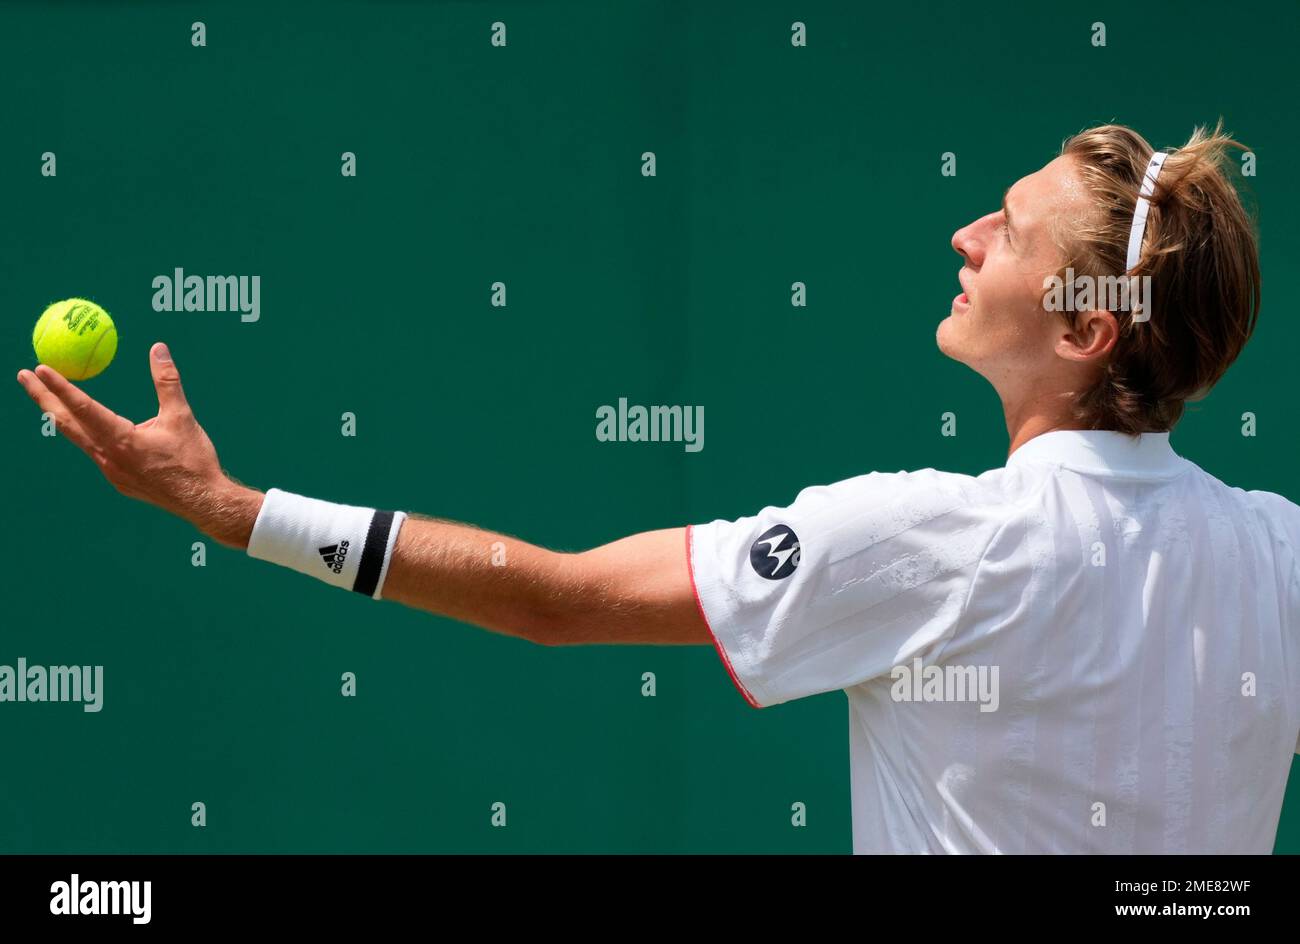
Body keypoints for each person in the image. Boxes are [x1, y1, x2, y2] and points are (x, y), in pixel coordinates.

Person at [17, 122, 1298, 854]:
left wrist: (232, 511)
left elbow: (557, 599)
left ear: (1086, 331)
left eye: (1008, 233)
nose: (965, 236)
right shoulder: (1280, 556)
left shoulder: (936, 538)